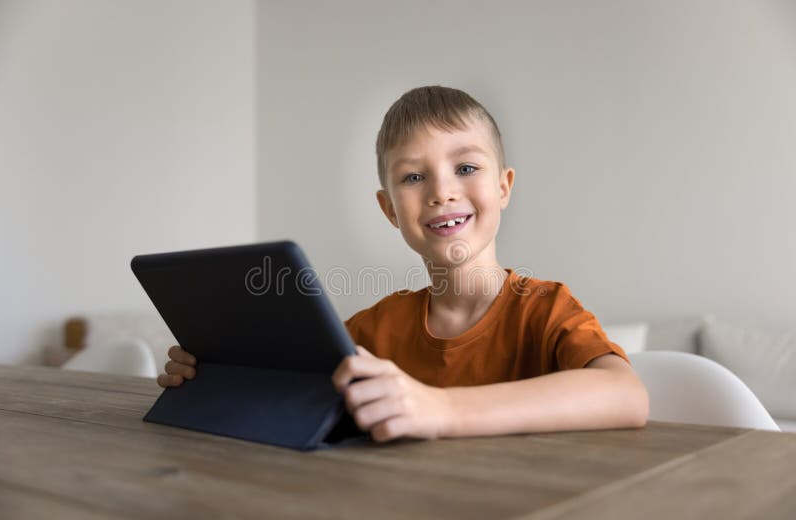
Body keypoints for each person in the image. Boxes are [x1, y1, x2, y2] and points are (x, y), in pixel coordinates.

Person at [158, 85, 649, 443]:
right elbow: (293, 389)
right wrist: (214, 371)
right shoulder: (374, 331)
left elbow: (626, 396)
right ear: (390, 209)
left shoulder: (545, 312)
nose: (441, 191)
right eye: (414, 176)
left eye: (466, 167)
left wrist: (444, 409)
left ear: (503, 187)